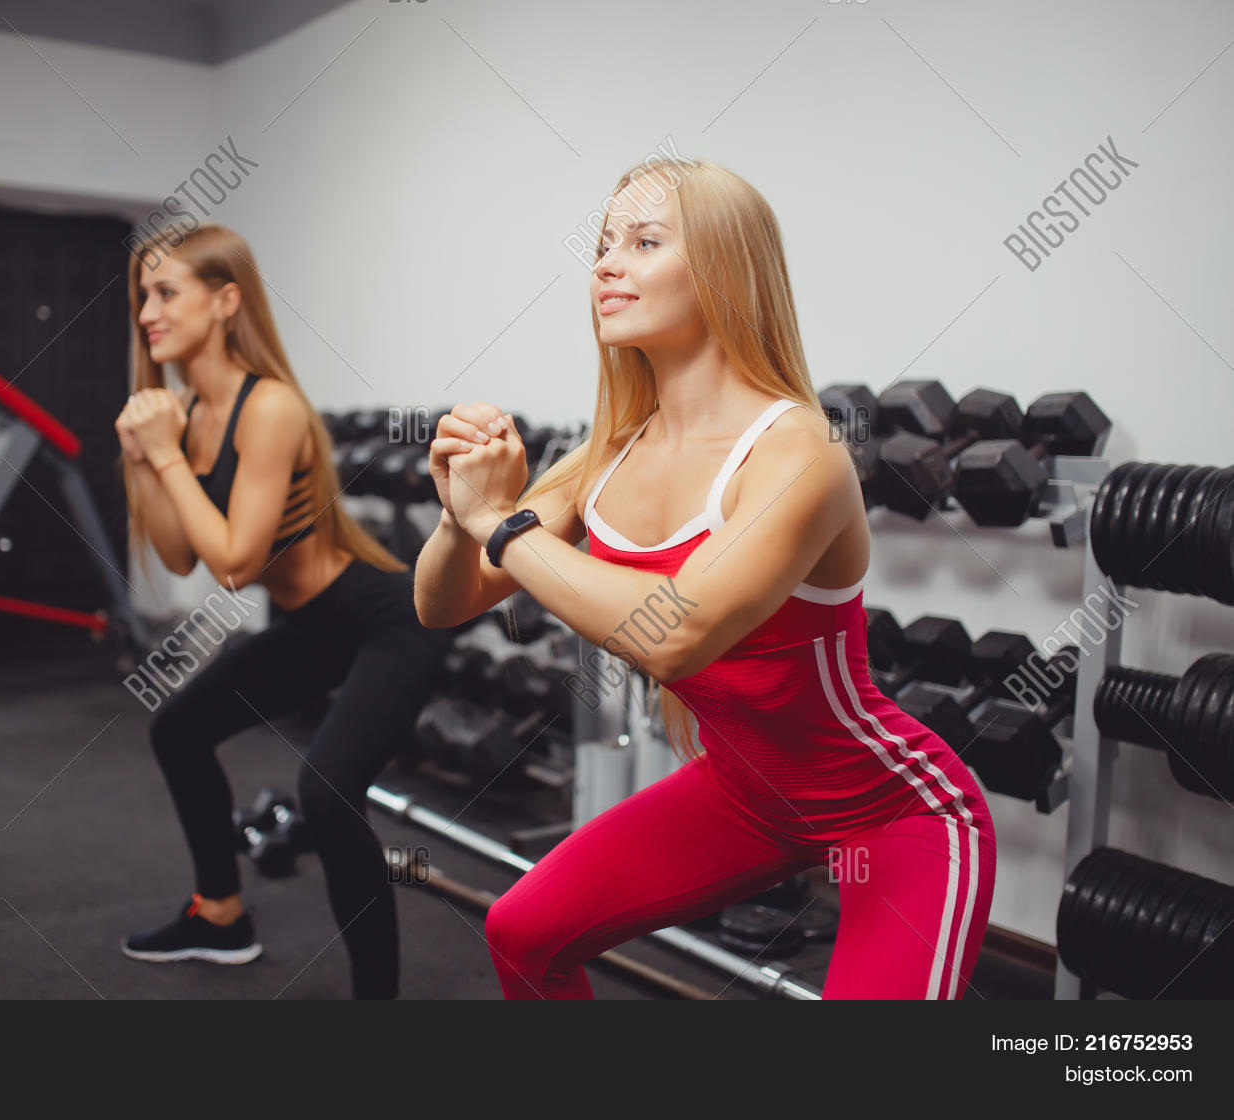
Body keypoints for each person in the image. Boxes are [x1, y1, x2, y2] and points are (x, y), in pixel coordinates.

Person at [413, 157, 997, 999]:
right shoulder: (607, 455)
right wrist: (454, 509)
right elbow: (443, 602)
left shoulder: (801, 452)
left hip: (894, 812)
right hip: (744, 795)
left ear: (725, 271)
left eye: (645, 242)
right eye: (605, 243)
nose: (606, 263)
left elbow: (676, 636)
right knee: (523, 932)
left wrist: (496, 523)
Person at [115, 223, 457, 999]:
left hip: (386, 617)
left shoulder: (268, 407)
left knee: (326, 795)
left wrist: (163, 455)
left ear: (225, 300)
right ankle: (220, 915)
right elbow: (176, 556)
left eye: (166, 292)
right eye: (143, 296)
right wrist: (145, 459)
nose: (147, 312)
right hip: (312, 624)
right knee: (177, 729)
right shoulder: (187, 412)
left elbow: (233, 563)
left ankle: (378, 1000)